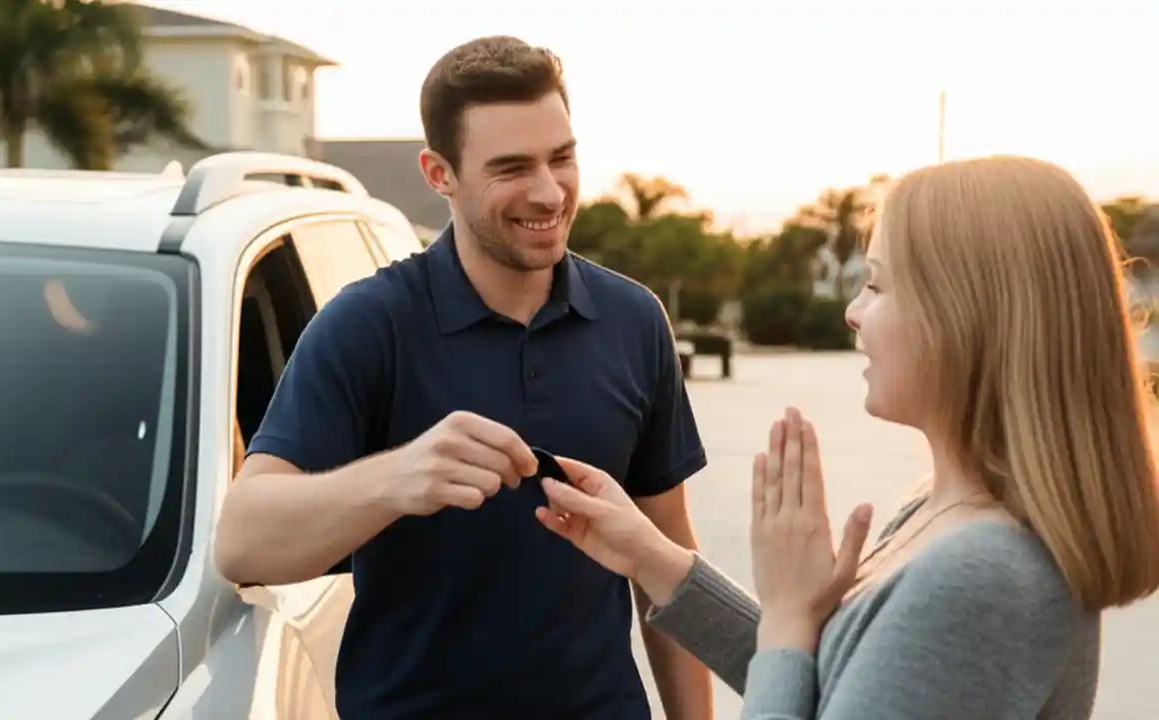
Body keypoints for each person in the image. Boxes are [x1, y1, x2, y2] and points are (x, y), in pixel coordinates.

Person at [534, 155, 1159, 719]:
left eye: (877, 285)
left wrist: (787, 612)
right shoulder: (945, 509)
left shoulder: (976, 578)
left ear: (966, 316)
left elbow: (794, 661)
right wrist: (650, 555)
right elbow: (828, 685)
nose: (853, 312)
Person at [213, 35, 714, 719]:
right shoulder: (367, 326)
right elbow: (241, 543)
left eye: (561, 158)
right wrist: (397, 478)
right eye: (512, 168)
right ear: (438, 173)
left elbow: (667, 559)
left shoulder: (635, 321)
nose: (549, 191)